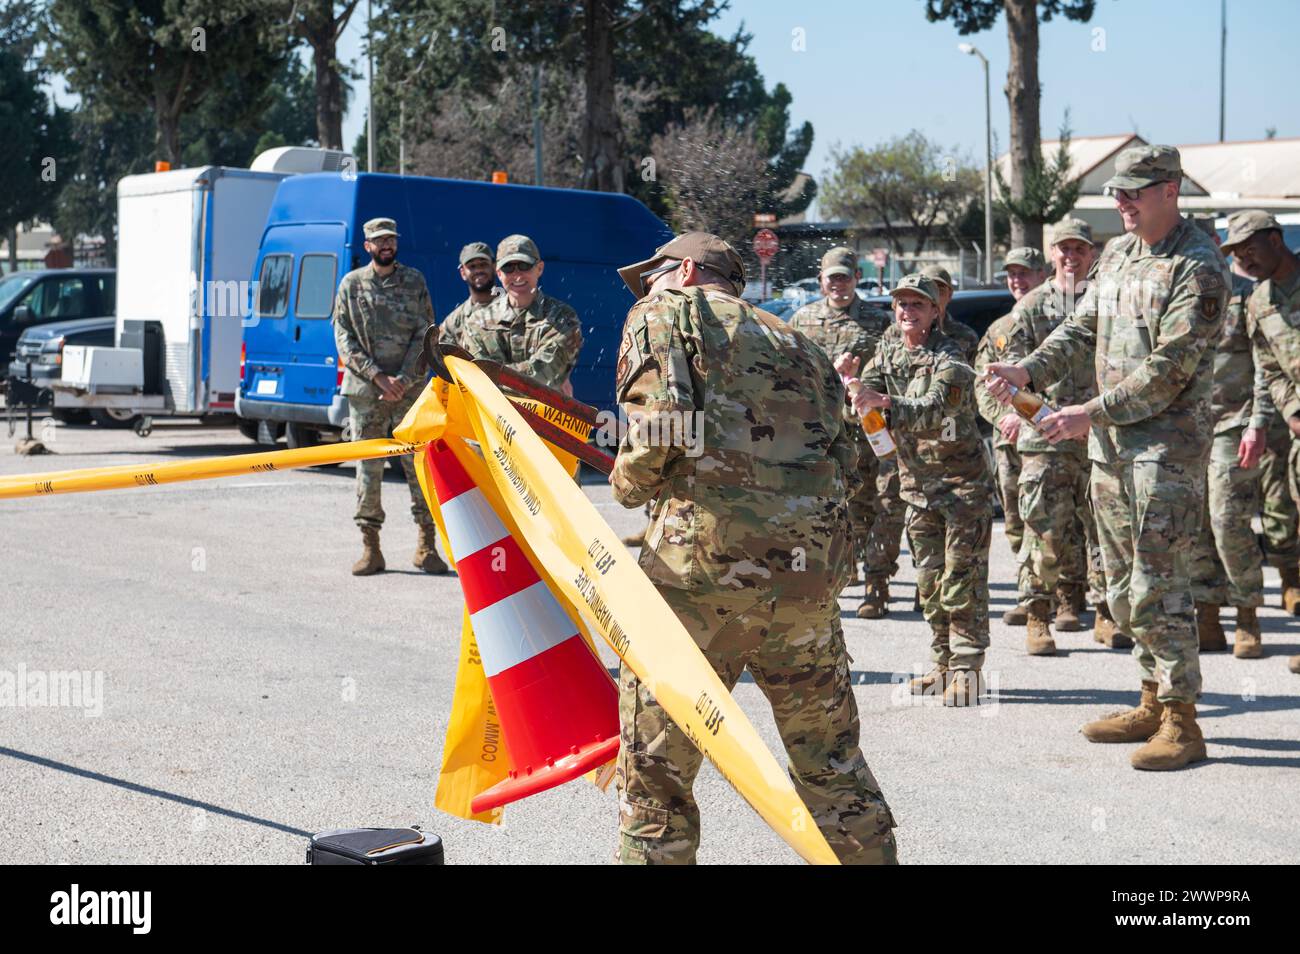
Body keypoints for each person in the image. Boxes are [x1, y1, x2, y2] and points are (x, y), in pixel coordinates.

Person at [610, 231, 898, 865]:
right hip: (804, 584)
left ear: (684, 270)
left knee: (657, 775)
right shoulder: (802, 341)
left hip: (700, 579)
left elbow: (660, 425)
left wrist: (628, 481)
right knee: (830, 764)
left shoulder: (664, 311)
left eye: (653, 275)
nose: (646, 289)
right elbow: (852, 461)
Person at [985, 145, 1230, 770]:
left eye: (1134, 192)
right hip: (1111, 451)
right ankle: (1150, 699)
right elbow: (1082, 328)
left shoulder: (1197, 268)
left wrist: (1085, 413)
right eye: (1117, 193)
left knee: (1158, 582)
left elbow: (1168, 372)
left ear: (1170, 191)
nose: (1120, 202)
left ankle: (1182, 721)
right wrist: (1029, 368)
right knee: (1120, 583)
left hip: (1163, 452)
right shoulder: (1119, 253)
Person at [842, 274, 994, 707]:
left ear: (934, 311)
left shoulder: (951, 356)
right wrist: (853, 386)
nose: (907, 311)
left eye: (917, 305)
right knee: (929, 582)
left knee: (961, 579)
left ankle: (968, 669)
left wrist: (883, 402)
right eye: (901, 304)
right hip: (916, 486)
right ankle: (942, 662)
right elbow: (861, 413)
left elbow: (932, 410)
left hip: (962, 487)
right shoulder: (887, 350)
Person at [1000, 222, 1107, 654]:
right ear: (1052, 253)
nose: (1071, 256)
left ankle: (1105, 613)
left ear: (1091, 252)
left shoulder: (1109, 303)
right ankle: (1037, 616)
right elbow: (1011, 378)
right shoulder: (1030, 307)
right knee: (1042, 527)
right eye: (1063, 249)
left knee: (1102, 528)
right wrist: (1042, 418)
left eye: (1079, 248)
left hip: (1099, 432)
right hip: (1044, 439)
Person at [334, 217, 446, 577]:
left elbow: (426, 331)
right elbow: (343, 336)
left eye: (391, 240)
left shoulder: (413, 281)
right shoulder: (351, 285)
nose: (386, 245)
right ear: (367, 246)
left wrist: (403, 378)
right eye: (379, 241)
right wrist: (378, 377)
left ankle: (426, 546)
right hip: (367, 394)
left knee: (420, 467)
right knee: (368, 470)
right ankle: (371, 548)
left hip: (409, 392)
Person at [789, 247, 892, 614]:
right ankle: (829, 582)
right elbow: (793, 374)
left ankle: (876, 586)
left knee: (872, 507)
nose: (839, 284)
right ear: (821, 280)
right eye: (833, 277)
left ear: (857, 279)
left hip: (865, 431)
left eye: (845, 277)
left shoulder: (879, 320)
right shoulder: (803, 319)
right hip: (819, 435)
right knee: (825, 511)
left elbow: (889, 372)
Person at [1186, 214, 1268, 658]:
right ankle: (1207, 612)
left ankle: (1247, 614)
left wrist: (1257, 422)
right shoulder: (1181, 296)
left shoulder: (1247, 296)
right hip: (1187, 426)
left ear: (1216, 243)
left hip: (1234, 423)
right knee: (1195, 522)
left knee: (1227, 519)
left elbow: (1266, 365)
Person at [1235, 209, 1300, 677]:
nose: (1244, 259)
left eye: (1250, 248)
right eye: (1237, 253)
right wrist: (1287, 412)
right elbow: (1269, 370)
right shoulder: (1257, 303)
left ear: (1276, 240)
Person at [974, 247, 1048, 628]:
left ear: (1042, 275)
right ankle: (1028, 591)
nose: (1017, 281)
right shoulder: (998, 329)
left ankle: (1073, 595)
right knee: (1017, 518)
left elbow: (1069, 377)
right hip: (1010, 442)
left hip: (1054, 438)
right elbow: (982, 383)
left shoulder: (1058, 322)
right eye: (1011, 275)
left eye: (1025, 273)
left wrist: (1029, 415)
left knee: (1063, 518)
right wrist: (1005, 416)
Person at [441, 234, 583, 392]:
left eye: (525, 265)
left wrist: (495, 375)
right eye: (508, 268)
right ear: (499, 273)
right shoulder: (478, 322)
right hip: (493, 414)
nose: (517, 275)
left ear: (539, 268)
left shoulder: (562, 318)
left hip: (545, 414)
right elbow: (479, 377)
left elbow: (544, 373)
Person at [437, 241, 499, 348]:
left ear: (494, 267)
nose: (478, 270)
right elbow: (442, 358)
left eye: (483, 264)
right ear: (463, 273)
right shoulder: (453, 323)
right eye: (472, 266)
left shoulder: (514, 306)